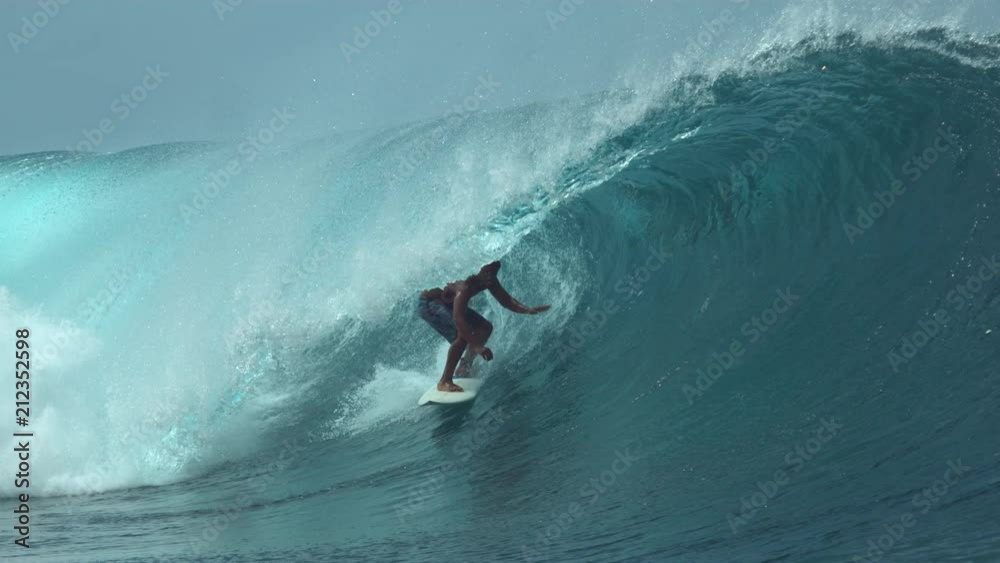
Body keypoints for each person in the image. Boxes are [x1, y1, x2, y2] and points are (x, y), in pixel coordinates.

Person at [419, 261, 550, 392]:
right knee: (463, 336)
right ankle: (444, 381)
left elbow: (507, 301)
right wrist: (477, 346)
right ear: (481, 270)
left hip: (448, 304)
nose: (492, 276)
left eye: (494, 272)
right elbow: (458, 319)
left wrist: (528, 310)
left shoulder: (488, 280)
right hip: (430, 304)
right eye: (489, 272)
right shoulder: (464, 287)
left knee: (485, 327)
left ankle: (465, 366)